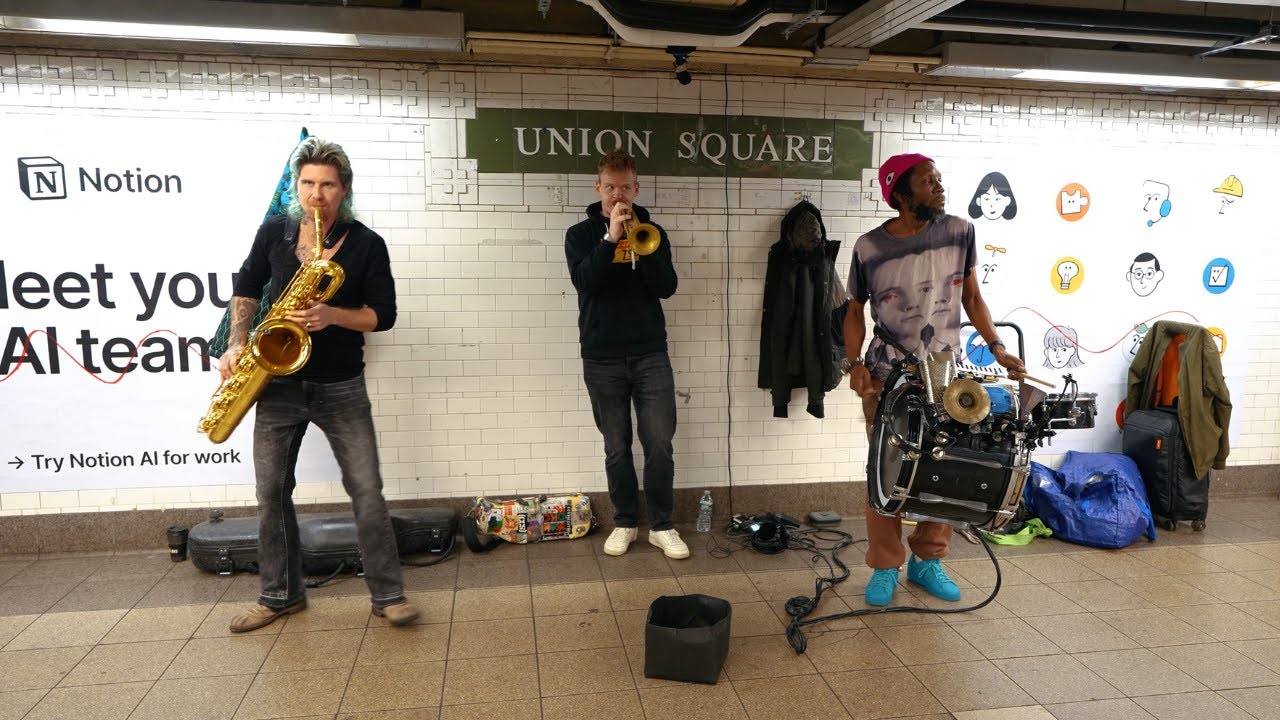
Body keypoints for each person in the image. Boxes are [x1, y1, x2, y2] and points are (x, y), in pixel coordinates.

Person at [220, 137, 419, 632]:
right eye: (307, 183)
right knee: (271, 494)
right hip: (277, 385)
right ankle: (280, 596)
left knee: (368, 491)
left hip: (340, 385)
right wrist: (237, 342)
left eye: (327, 185)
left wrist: (332, 314)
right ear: (296, 186)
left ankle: (388, 596)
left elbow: (384, 316)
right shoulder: (274, 234)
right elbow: (246, 286)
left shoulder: (367, 244)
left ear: (343, 190)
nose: (316, 194)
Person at [844, 153, 1026, 607]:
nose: (939, 188)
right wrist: (854, 365)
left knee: (945, 463)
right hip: (886, 372)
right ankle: (885, 566)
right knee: (884, 470)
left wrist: (998, 347)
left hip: (945, 371)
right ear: (900, 193)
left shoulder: (960, 231)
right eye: (928, 181)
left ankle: (928, 561)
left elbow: (972, 296)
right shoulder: (869, 247)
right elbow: (852, 312)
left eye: (939, 179)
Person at [564, 149, 687, 560]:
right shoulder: (579, 236)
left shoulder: (653, 233)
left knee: (659, 443)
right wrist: (610, 238)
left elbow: (666, 287)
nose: (618, 194)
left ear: (636, 188)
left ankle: (663, 525)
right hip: (601, 357)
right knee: (616, 447)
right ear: (598, 187)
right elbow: (586, 283)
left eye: (625, 187)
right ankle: (625, 522)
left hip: (650, 353)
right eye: (610, 186)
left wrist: (642, 245)